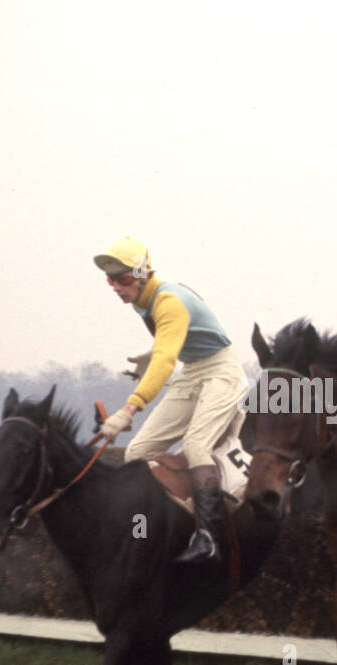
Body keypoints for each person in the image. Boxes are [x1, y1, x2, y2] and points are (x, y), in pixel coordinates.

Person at [93, 238, 246, 562]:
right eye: (111, 281)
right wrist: (152, 355)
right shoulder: (141, 300)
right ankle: (164, 523)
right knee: (137, 452)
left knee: (196, 446)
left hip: (222, 371)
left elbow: (166, 359)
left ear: (143, 274)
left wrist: (128, 409)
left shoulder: (168, 301)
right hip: (193, 371)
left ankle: (209, 537)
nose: (117, 287)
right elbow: (168, 343)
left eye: (123, 280)